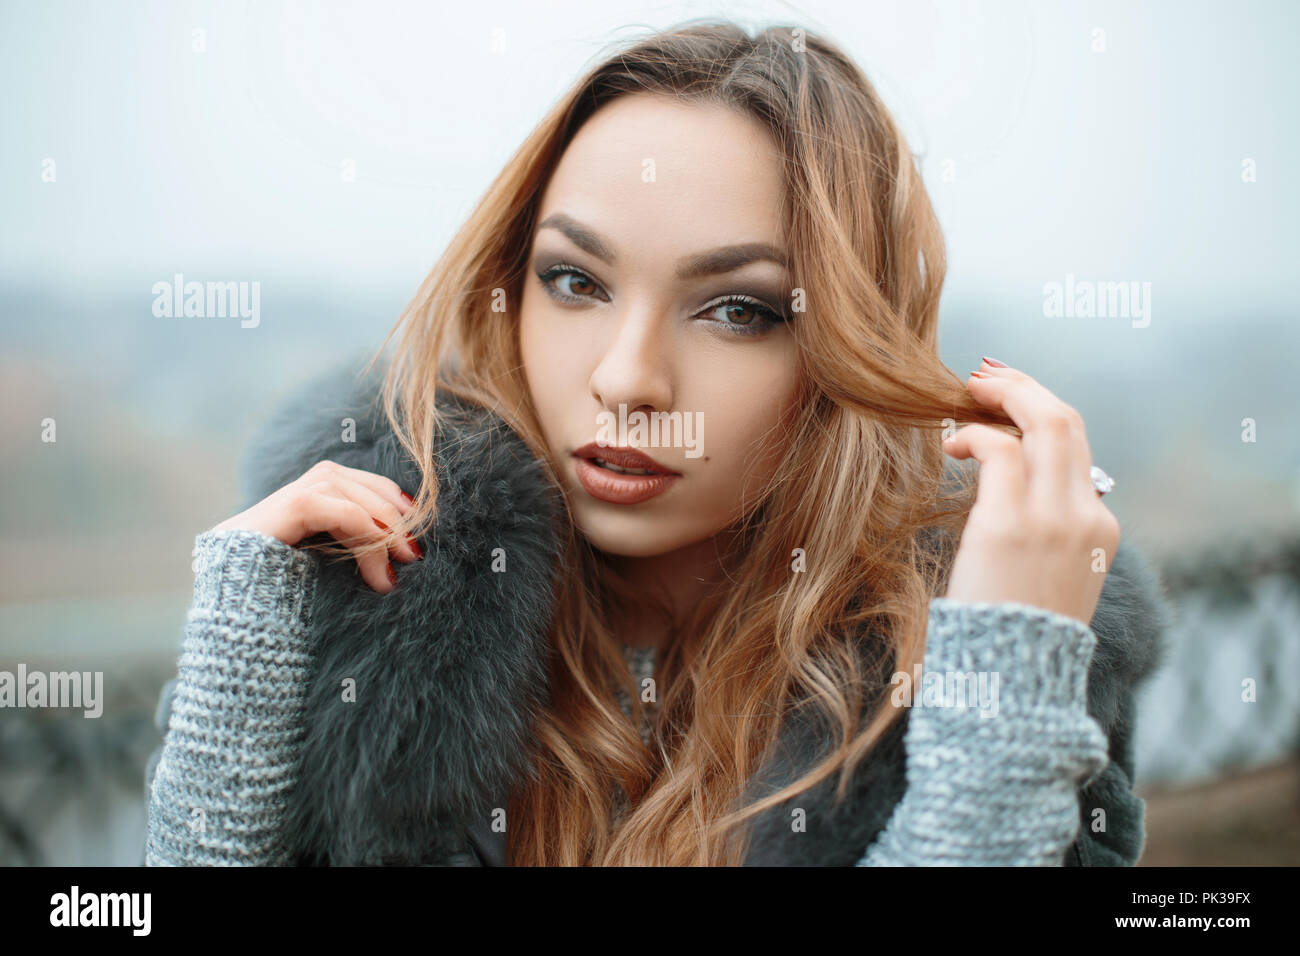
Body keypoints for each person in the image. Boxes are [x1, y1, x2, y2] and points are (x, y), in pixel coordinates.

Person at [145, 19, 1170, 866]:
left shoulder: (972, 653)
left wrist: (1002, 692)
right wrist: (245, 640)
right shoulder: (365, 588)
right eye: (576, 281)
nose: (627, 377)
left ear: (847, 347)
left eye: (737, 308)